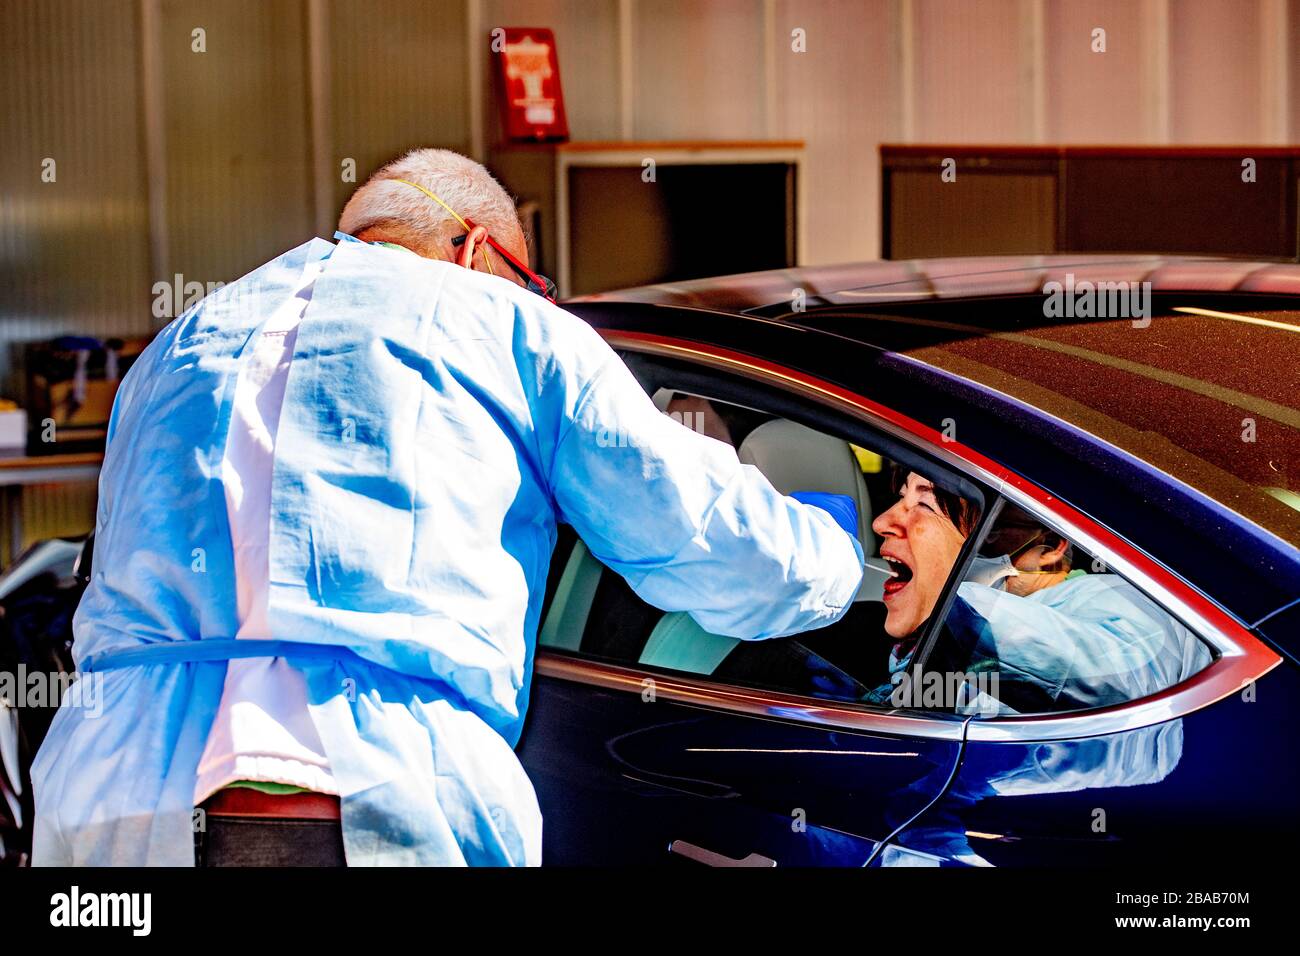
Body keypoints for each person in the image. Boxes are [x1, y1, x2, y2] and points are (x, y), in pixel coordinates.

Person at [31, 148, 864, 866]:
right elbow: (705, 539)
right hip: (357, 789)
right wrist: (837, 553)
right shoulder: (498, 321)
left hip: (110, 795)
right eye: (528, 277)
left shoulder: (181, 342)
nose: (532, 296)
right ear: (474, 249)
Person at [865, 471, 1210, 715]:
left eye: (926, 505)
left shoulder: (1121, 600)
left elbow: (1119, 679)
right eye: (900, 498)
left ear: (1050, 548)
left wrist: (950, 605)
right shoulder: (879, 630)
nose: (882, 522)